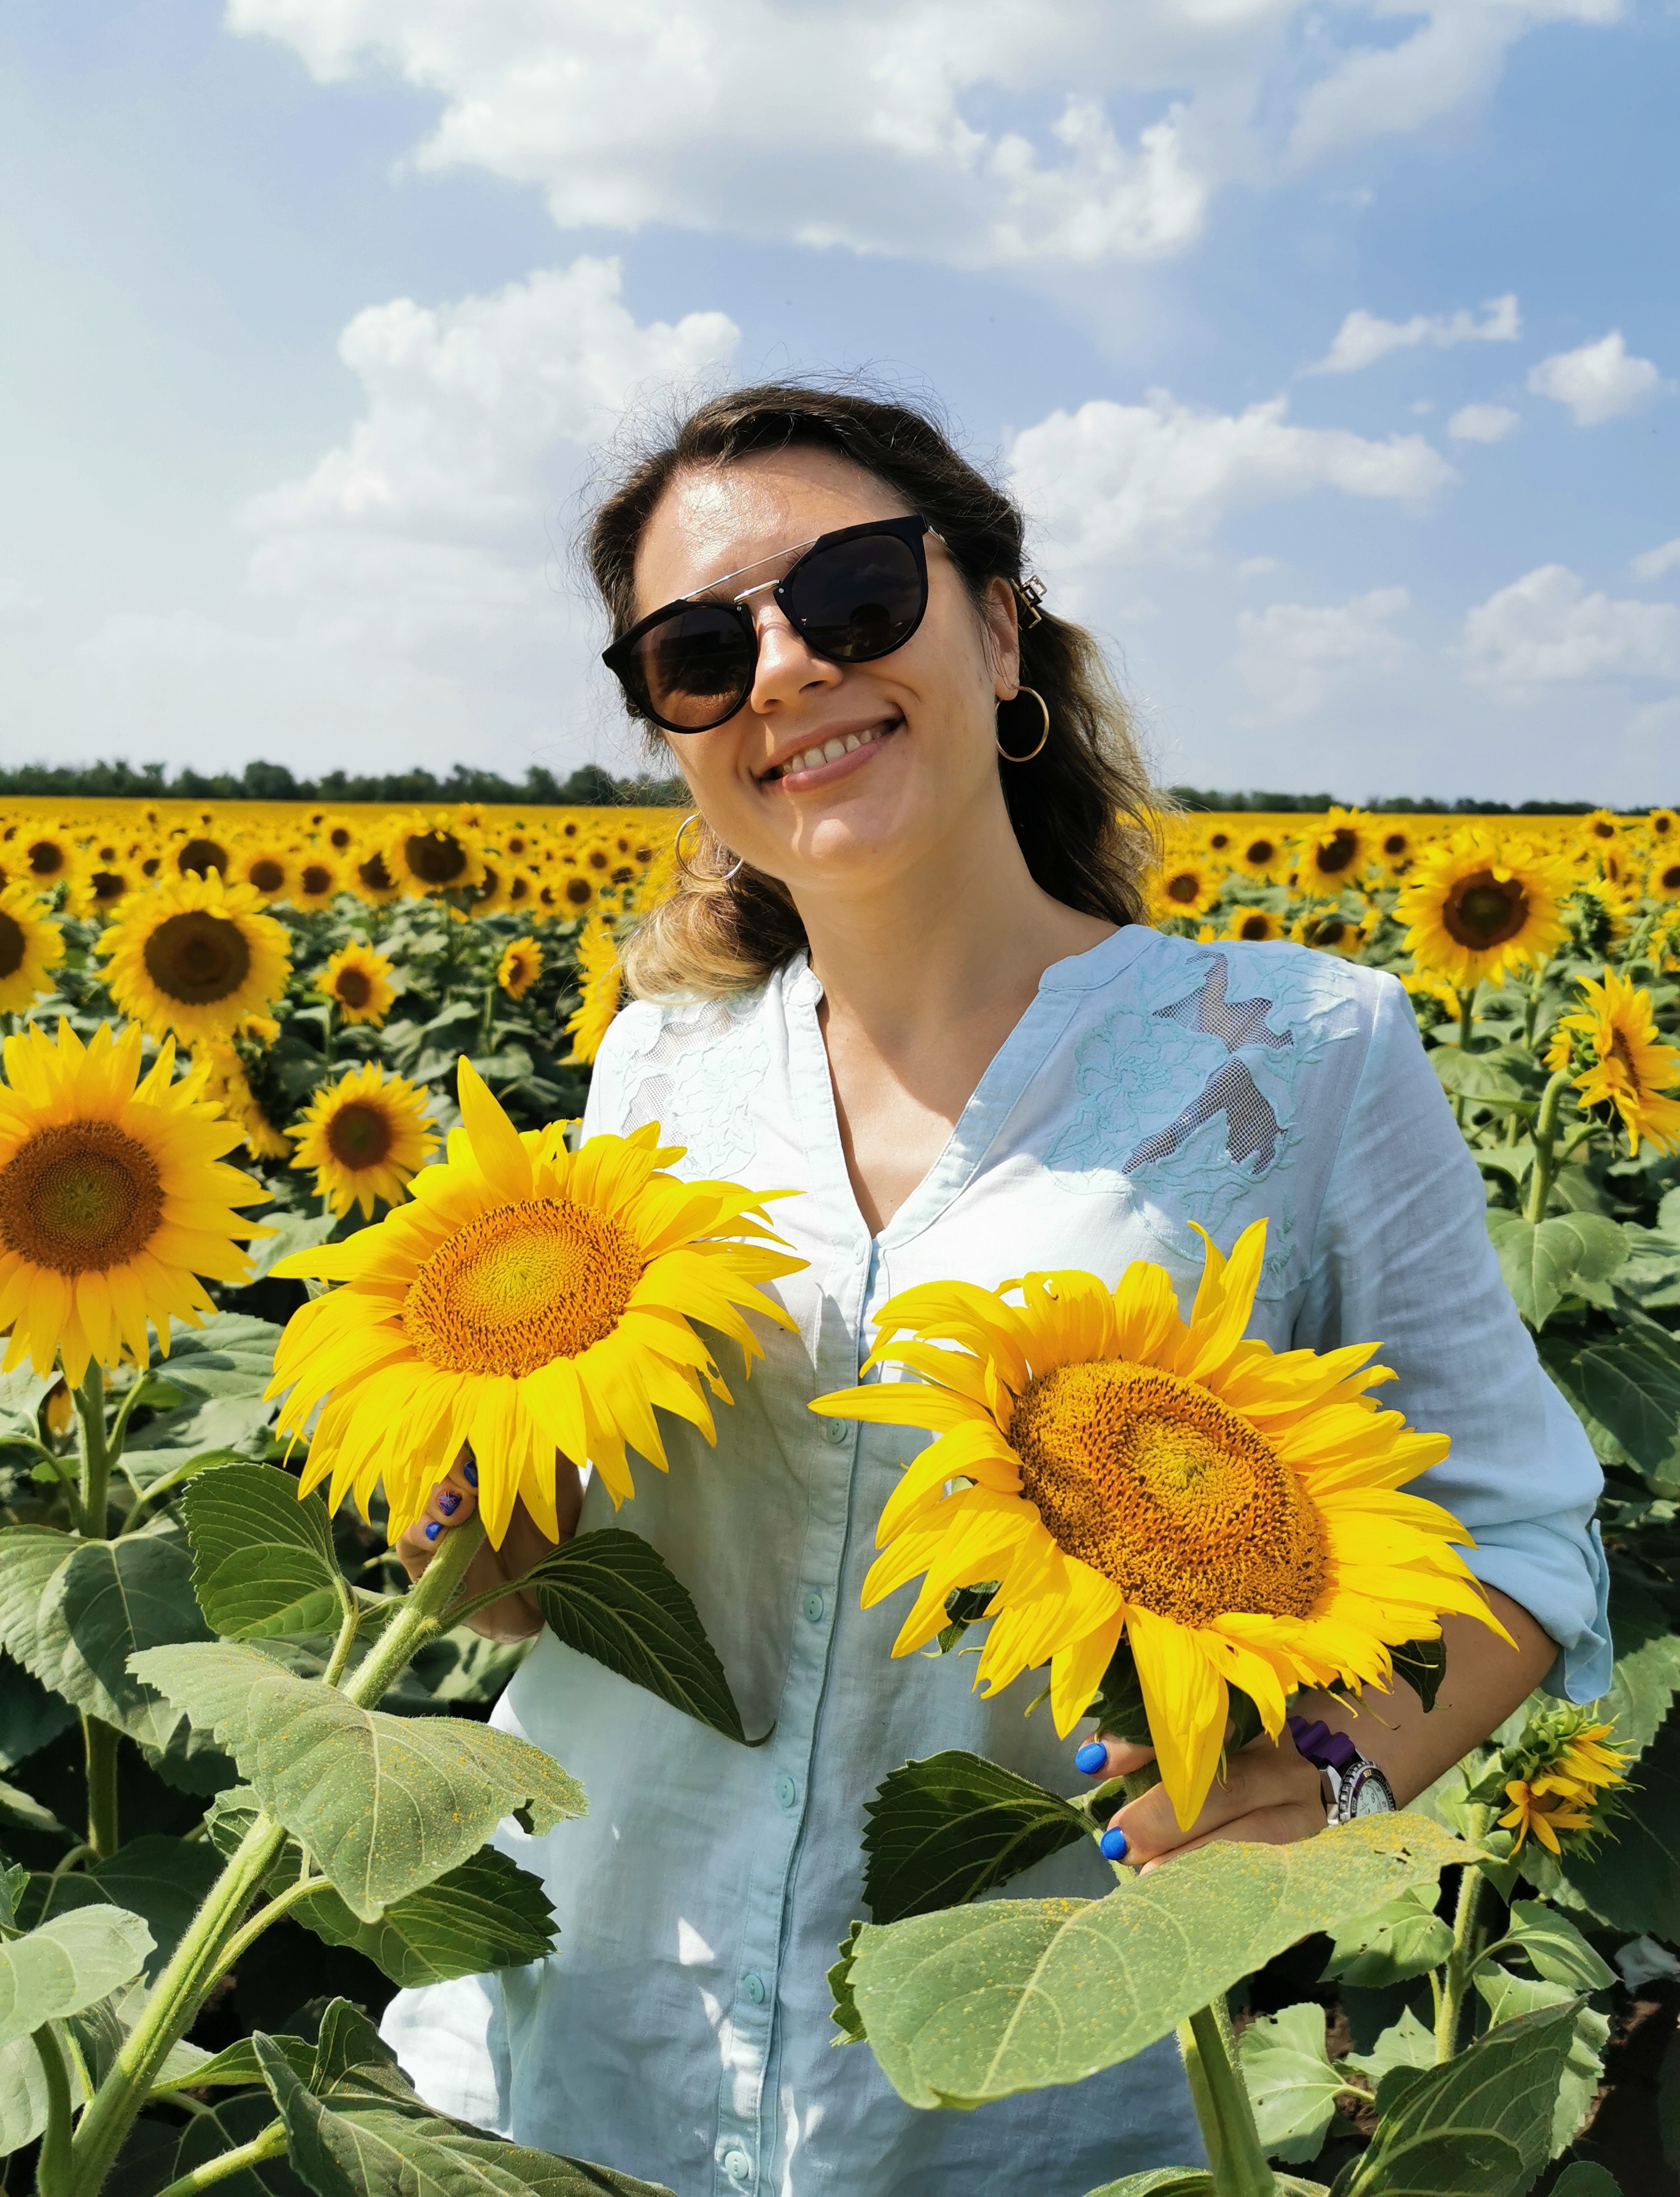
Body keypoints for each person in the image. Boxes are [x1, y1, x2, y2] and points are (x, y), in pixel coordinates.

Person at [381, 384, 1610, 2196]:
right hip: (584, 2050)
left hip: (1013, 2093)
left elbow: (1524, 1536)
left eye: (856, 596)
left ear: (999, 620)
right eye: (700, 651)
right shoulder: (660, 1062)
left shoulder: (1288, 1049)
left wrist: (1332, 1780)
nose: (786, 672)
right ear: (674, 730)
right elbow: (567, 1566)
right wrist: (480, 1547)